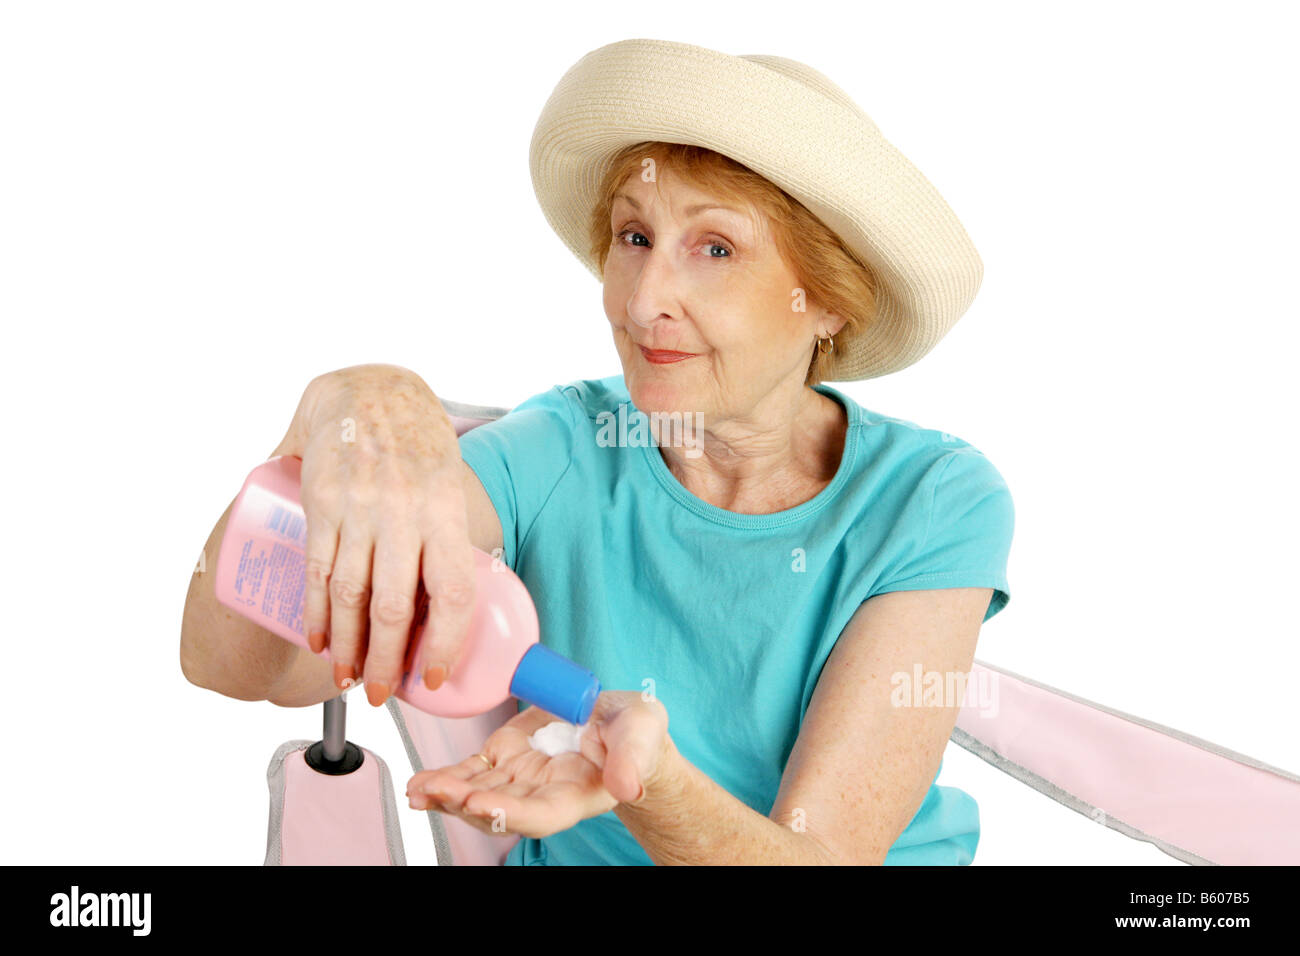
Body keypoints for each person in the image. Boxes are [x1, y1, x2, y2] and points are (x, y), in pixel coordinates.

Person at [181, 38, 1014, 865]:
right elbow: (241, 663)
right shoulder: (562, 449)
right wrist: (331, 415)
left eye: (715, 249)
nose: (644, 301)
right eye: (633, 236)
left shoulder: (933, 498)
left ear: (826, 301)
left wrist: (645, 781)